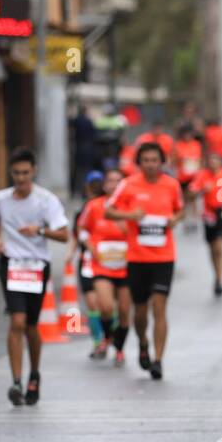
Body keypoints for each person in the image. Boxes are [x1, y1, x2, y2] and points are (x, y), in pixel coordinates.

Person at [0, 147, 70, 406]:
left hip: (36, 265)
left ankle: (34, 373)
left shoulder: (46, 200)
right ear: (10, 173)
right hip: (11, 263)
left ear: (33, 171)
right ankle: (15, 381)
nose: (21, 178)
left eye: (25, 173)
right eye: (16, 173)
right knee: (17, 321)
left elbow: (64, 234)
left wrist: (40, 230)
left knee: (32, 326)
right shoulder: (1, 198)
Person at [104, 141, 182, 380]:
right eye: (146, 160)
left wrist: (174, 220)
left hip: (164, 256)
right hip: (137, 258)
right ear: (140, 163)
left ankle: (158, 360)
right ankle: (143, 342)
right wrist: (130, 215)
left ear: (162, 162)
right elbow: (109, 210)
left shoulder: (171, 185)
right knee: (140, 312)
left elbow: (180, 210)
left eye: (155, 160)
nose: (151, 164)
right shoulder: (128, 185)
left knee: (159, 306)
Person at [78, 168, 131, 365]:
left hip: (126, 266)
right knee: (107, 307)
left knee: (125, 312)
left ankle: (118, 348)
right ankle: (108, 338)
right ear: (105, 184)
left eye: (118, 181)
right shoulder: (93, 206)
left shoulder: (128, 207)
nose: (114, 185)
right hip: (102, 266)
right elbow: (82, 230)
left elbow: (136, 232)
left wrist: (123, 221)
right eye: (110, 181)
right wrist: (91, 247)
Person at [190, 152, 222, 296]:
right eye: (210, 159)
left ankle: (220, 279)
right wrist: (201, 190)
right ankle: (216, 274)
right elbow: (191, 192)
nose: (213, 162)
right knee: (212, 247)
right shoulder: (202, 175)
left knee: (219, 247)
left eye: (215, 160)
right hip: (208, 215)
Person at [72, 170, 107, 355]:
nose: (95, 187)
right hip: (87, 261)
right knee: (92, 304)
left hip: (108, 262)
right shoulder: (82, 211)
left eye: (98, 183)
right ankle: (97, 341)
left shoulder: (109, 207)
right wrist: (69, 256)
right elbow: (76, 235)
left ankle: (111, 340)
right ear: (86, 186)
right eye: (92, 183)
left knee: (107, 305)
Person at [172, 124, 204, 231]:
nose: (187, 136)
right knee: (185, 200)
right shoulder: (178, 145)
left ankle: (194, 220)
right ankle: (186, 221)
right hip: (182, 176)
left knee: (194, 198)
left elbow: (199, 159)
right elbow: (174, 161)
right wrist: (183, 161)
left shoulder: (196, 144)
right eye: (185, 134)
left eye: (189, 134)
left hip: (194, 176)